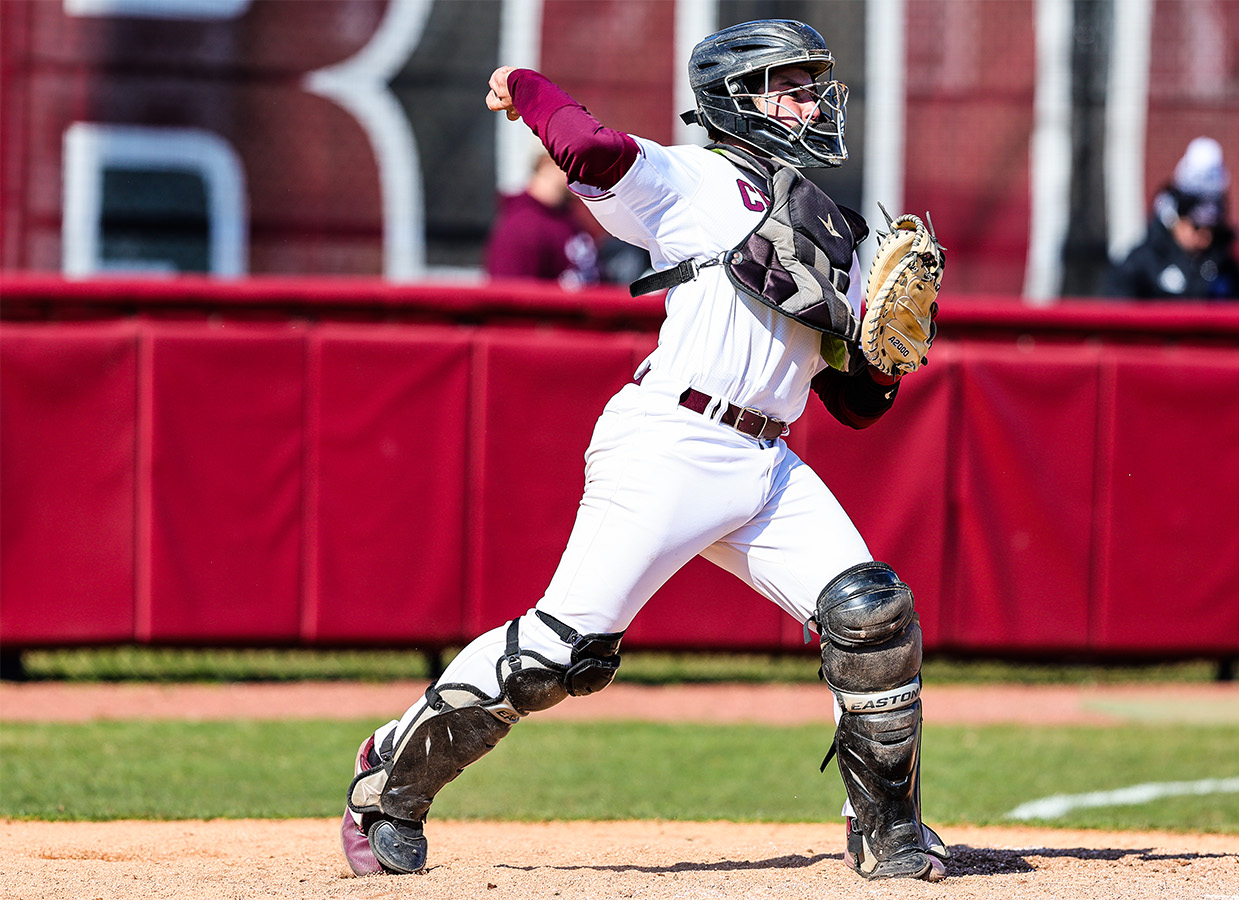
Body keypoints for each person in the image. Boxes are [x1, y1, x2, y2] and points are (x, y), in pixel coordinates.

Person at [340, 19, 949, 883]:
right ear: (737, 100)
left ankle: (887, 832)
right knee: (561, 655)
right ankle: (389, 780)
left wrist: (884, 358)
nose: (812, 99)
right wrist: (525, 83)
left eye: (814, 81)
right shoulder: (697, 178)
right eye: (792, 83)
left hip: (767, 464)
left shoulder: (838, 230)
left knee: (872, 615)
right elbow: (588, 152)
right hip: (670, 441)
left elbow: (853, 407)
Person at [1103, 136, 1239, 301]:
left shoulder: (1227, 270)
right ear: (1175, 220)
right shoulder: (1140, 265)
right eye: (1196, 226)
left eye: (1212, 229)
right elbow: (1116, 309)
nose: (1205, 237)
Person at [484, 154, 599, 287]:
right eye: (577, 167)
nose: (585, 177)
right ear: (549, 164)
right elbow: (511, 297)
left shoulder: (566, 219)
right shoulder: (521, 228)